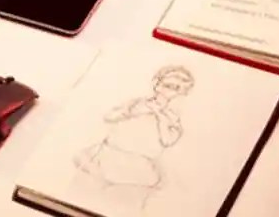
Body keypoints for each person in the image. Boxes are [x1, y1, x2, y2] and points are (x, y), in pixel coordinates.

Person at [74, 65, 195, 207]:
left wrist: (161, 118)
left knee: (120, 205)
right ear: (156, 83)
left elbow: (168, 140)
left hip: (138, 167)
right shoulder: (136, 103)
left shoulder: (171, 117)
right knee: (79, 196)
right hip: (107, 155)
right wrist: (131, 112)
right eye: (167, 85)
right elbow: (109, 116)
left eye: (177, 88)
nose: (170, 90)